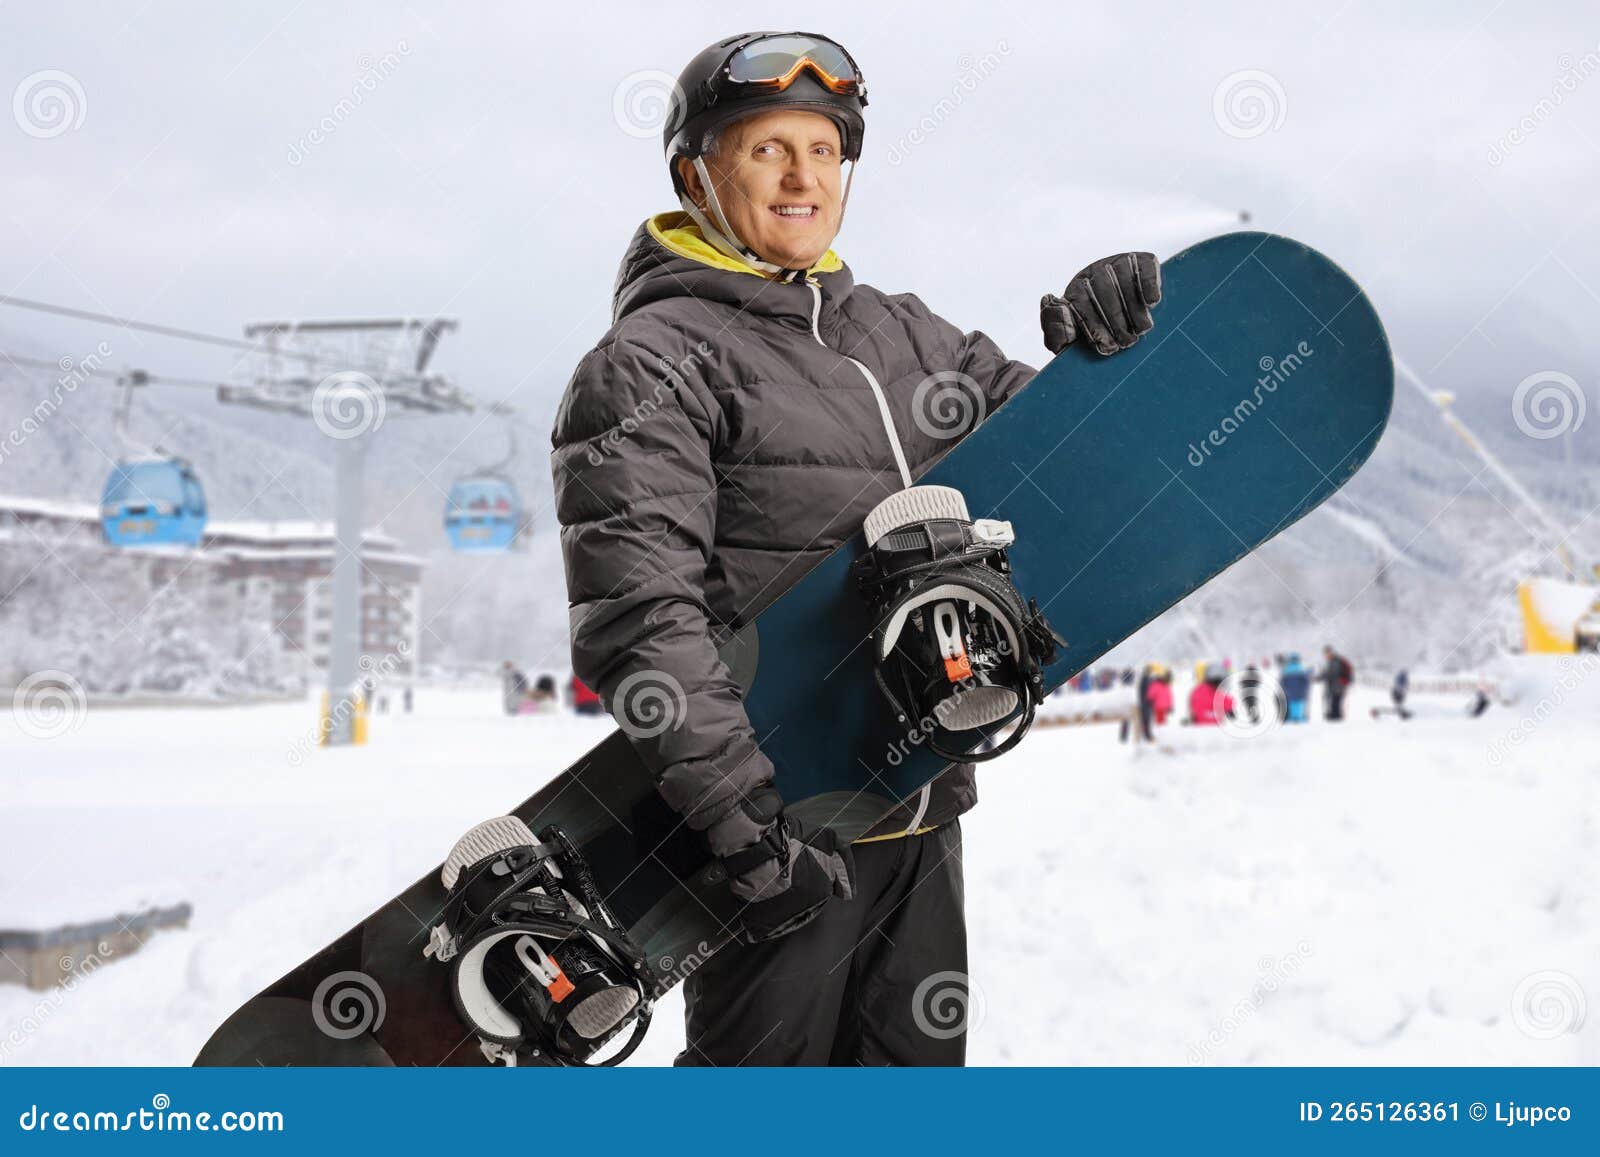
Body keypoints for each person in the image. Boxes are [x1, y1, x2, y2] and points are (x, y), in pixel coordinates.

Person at [551, 30, 1160, 1068]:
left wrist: (1114, 352)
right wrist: (746, 829)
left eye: (825, 150)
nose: (803, 177)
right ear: (696, 174)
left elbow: (1075, 462)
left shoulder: (903, 337)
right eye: (766, 150)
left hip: (922, 812)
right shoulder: (647, 366)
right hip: (777, 845)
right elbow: (644, 620)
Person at [1318, 645, 1353, 721]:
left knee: (1335, 704)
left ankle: (1336, 720)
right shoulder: (1332, 661)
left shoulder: (1335, 662)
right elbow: (1328, 674)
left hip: (1338, 687)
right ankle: (1335, 718)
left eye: (1327, 653)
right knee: (1335, 703)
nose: (1326, 655)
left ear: (1330, 653)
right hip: (1336, 687)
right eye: (1325, 654)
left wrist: (1321, 677)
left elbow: (1331, 674)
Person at [1280, 653, 1309, 722]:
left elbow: (1283, 682)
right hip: (1299, 691)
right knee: (1299, 704)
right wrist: (1304, 689)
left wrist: (1285, 689)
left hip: (1290, 691)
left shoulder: (1286, 669)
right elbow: (1305, 681)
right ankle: (1299, 717)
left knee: (1292, 704)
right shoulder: (1301, 669)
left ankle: (1292, 717)